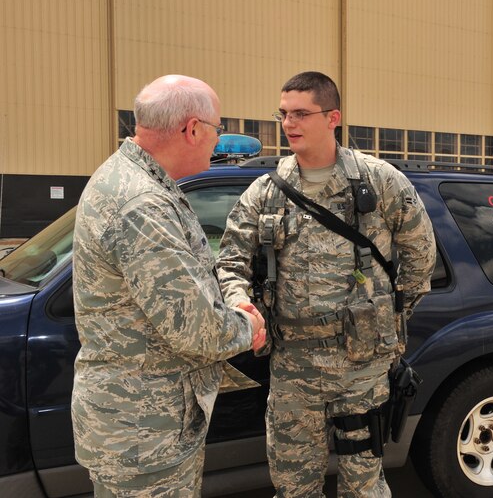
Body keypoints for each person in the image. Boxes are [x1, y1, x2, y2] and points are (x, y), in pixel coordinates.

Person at [217, 71, 436, 497]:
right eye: (283, 114)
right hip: (292, 367)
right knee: (294, 486)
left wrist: (387, 318)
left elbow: (420, 256)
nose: (289, 124)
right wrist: (240, 302)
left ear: (333, 116)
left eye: (301, 113)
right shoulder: (266, 192)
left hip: (362, 365)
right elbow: (231, 262)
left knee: (364, 485)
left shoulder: (378, 181)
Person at [72, 74, 266, 496]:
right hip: (143, 435)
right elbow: (196, 330)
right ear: (193, 129)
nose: (217, 141)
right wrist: (248, 326)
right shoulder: (141, 204)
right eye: (217, 129)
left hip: (145, 426)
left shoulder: (136, 181)